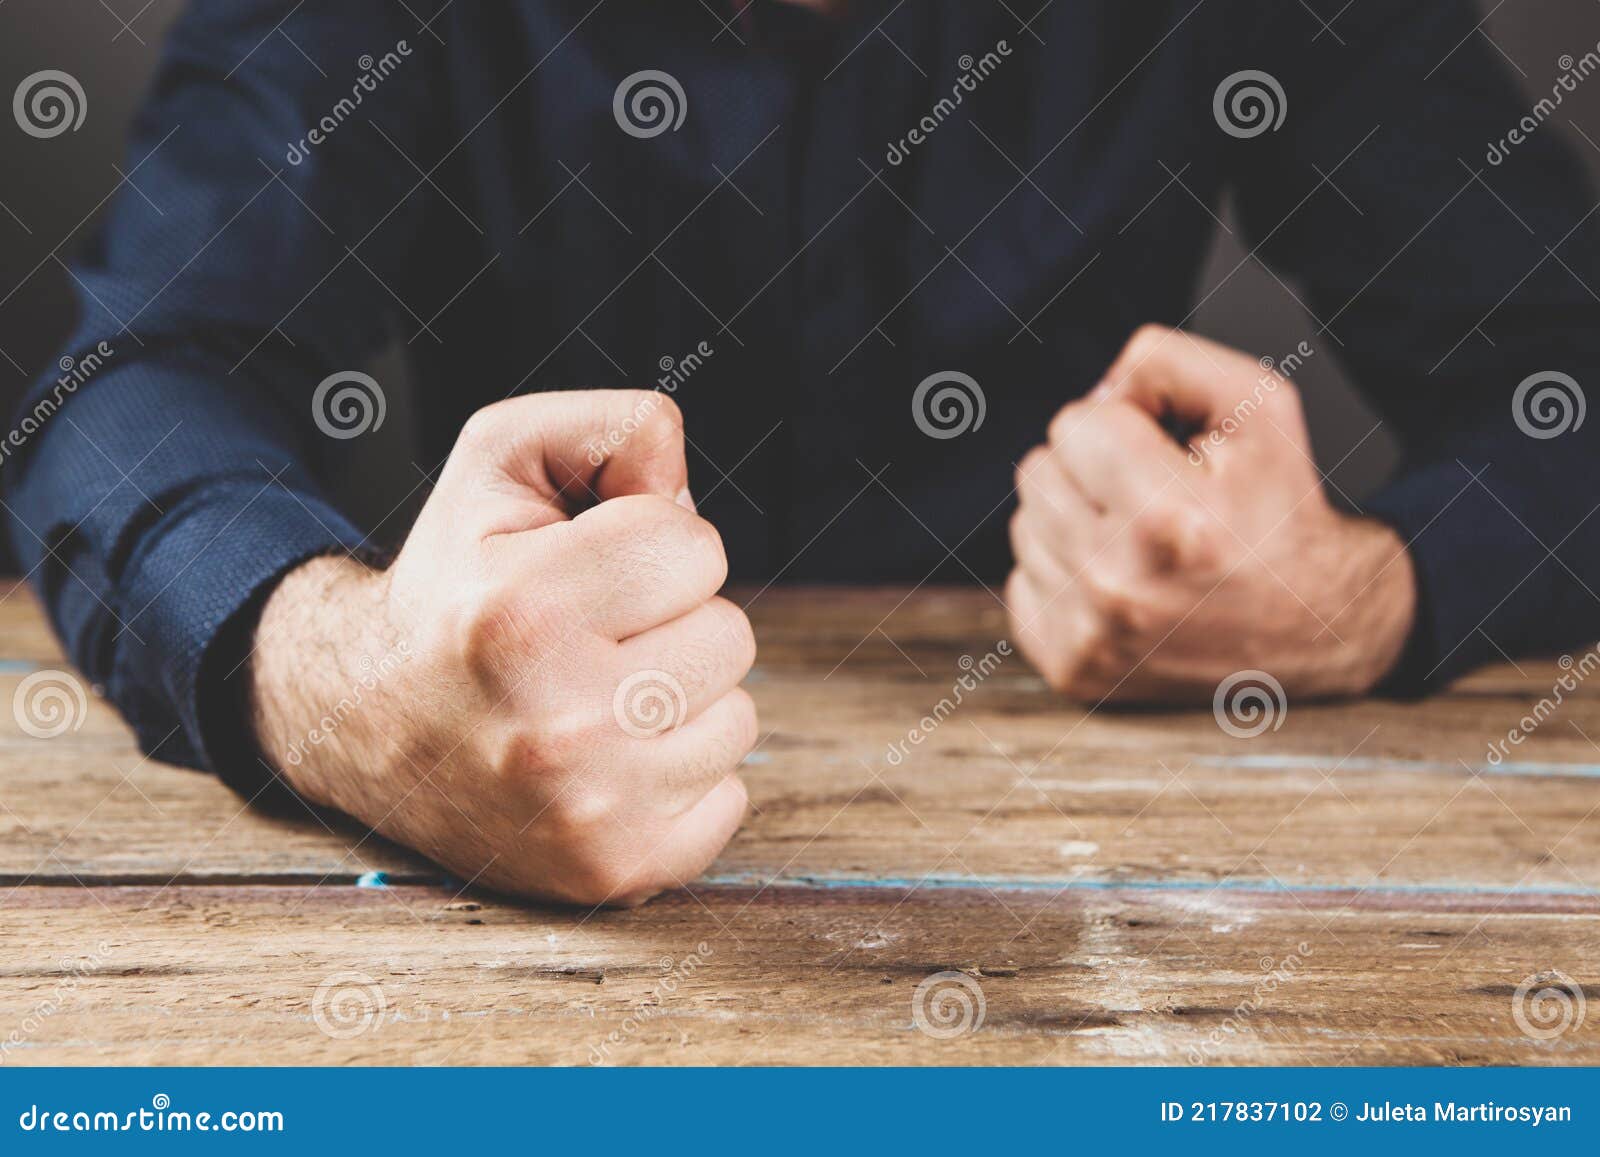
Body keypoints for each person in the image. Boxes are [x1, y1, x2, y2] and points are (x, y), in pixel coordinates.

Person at [6, 1, 1598, 905]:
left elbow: (1568, 374)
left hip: (1126, 866)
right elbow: (129, 377)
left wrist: (1360, 595)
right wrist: (344, 680)